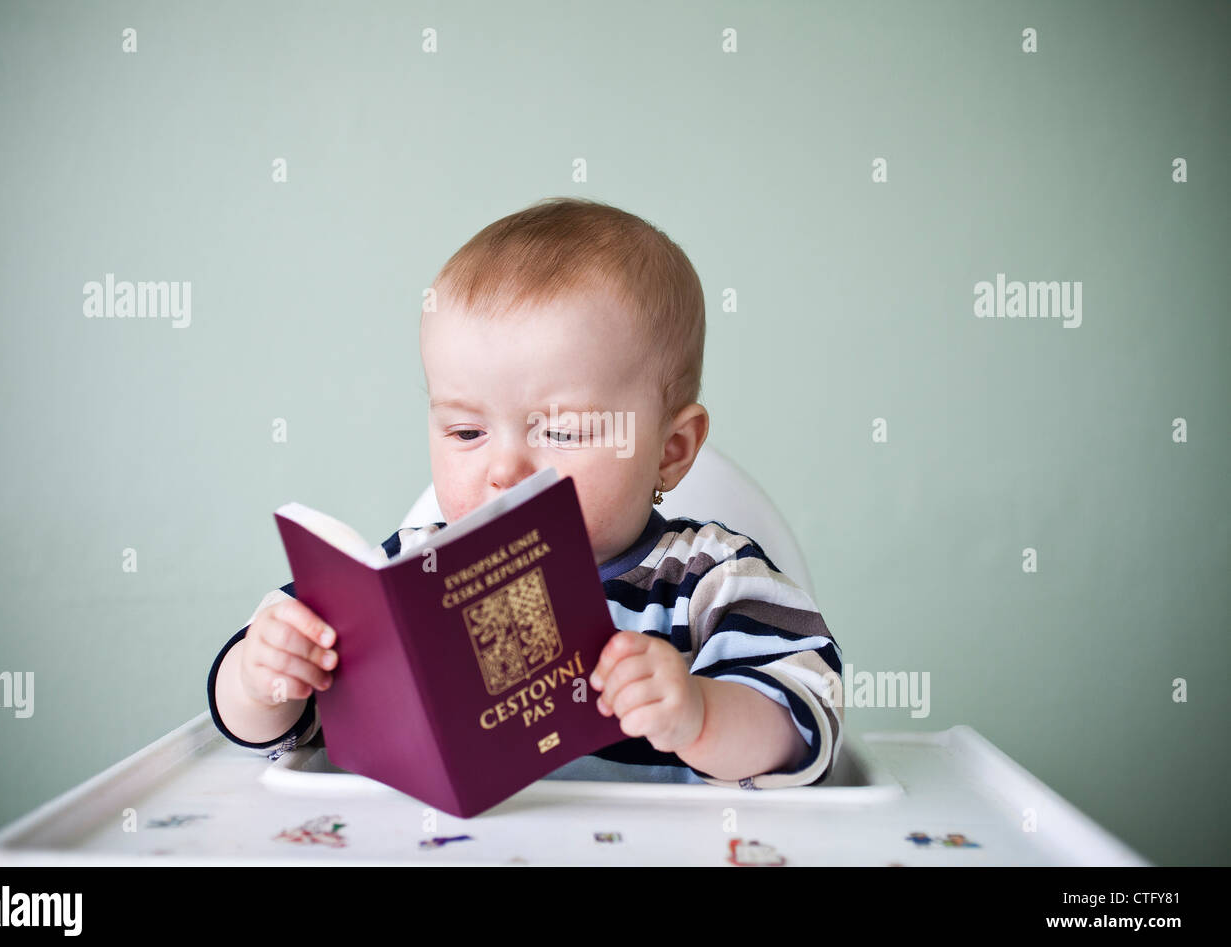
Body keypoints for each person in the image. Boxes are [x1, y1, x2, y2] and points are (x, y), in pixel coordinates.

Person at [208, 197, 843, 787]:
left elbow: (809, 715)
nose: (504, 469)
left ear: (671, 450)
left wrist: (701, 713)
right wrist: (264, 677)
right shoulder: (415, 573)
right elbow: (275, 733)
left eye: (562, 431)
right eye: (466, 430)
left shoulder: (712, 582)